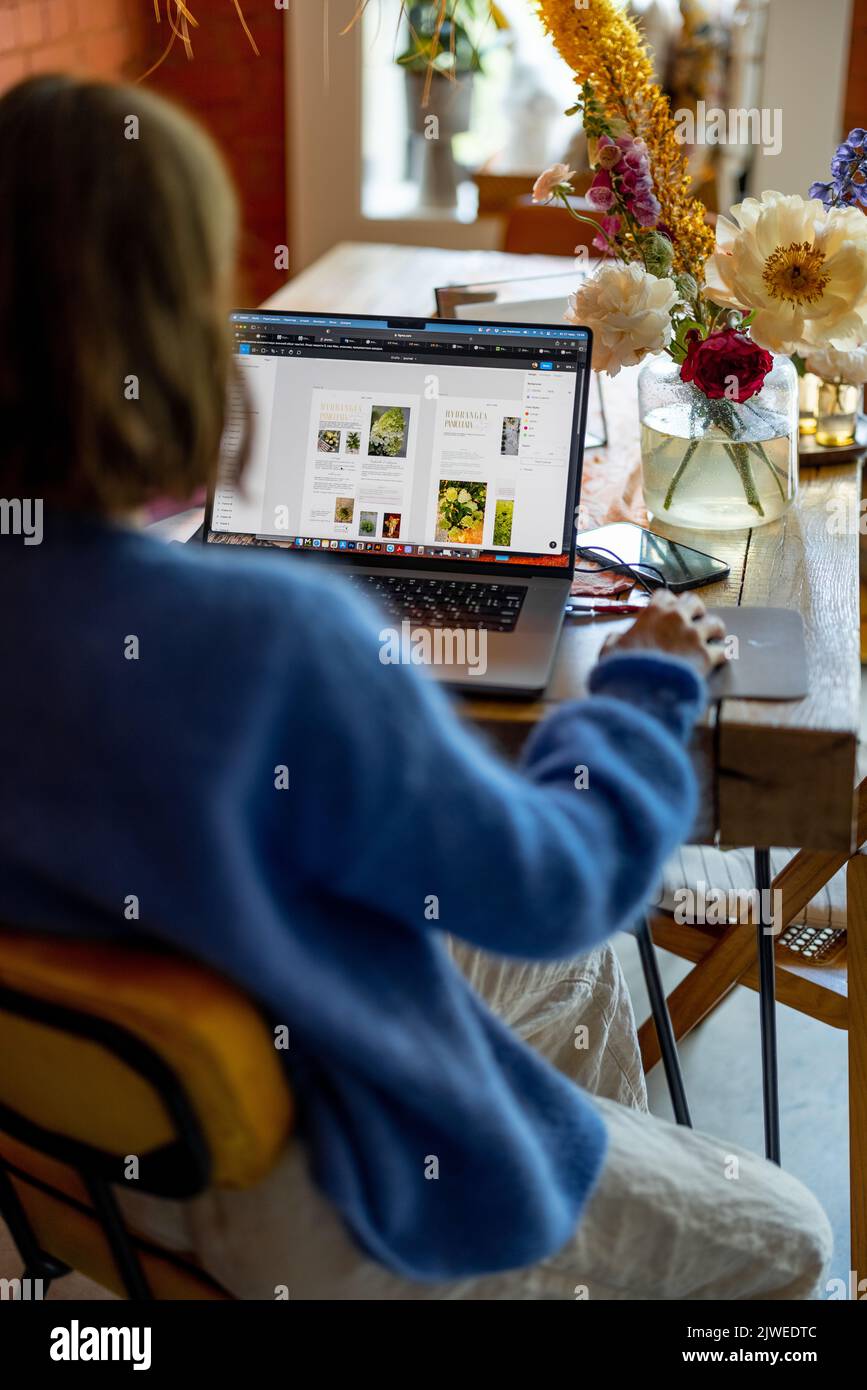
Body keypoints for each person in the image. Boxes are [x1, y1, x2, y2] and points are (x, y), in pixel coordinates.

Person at [0, 75, 831, 1300]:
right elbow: (555, 883)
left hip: (75, 1177)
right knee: (795, 1238)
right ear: (171, 324)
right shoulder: (273, 637)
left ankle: (575, 1242)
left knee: (581, 970)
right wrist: (645, 689)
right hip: (318, 1207)